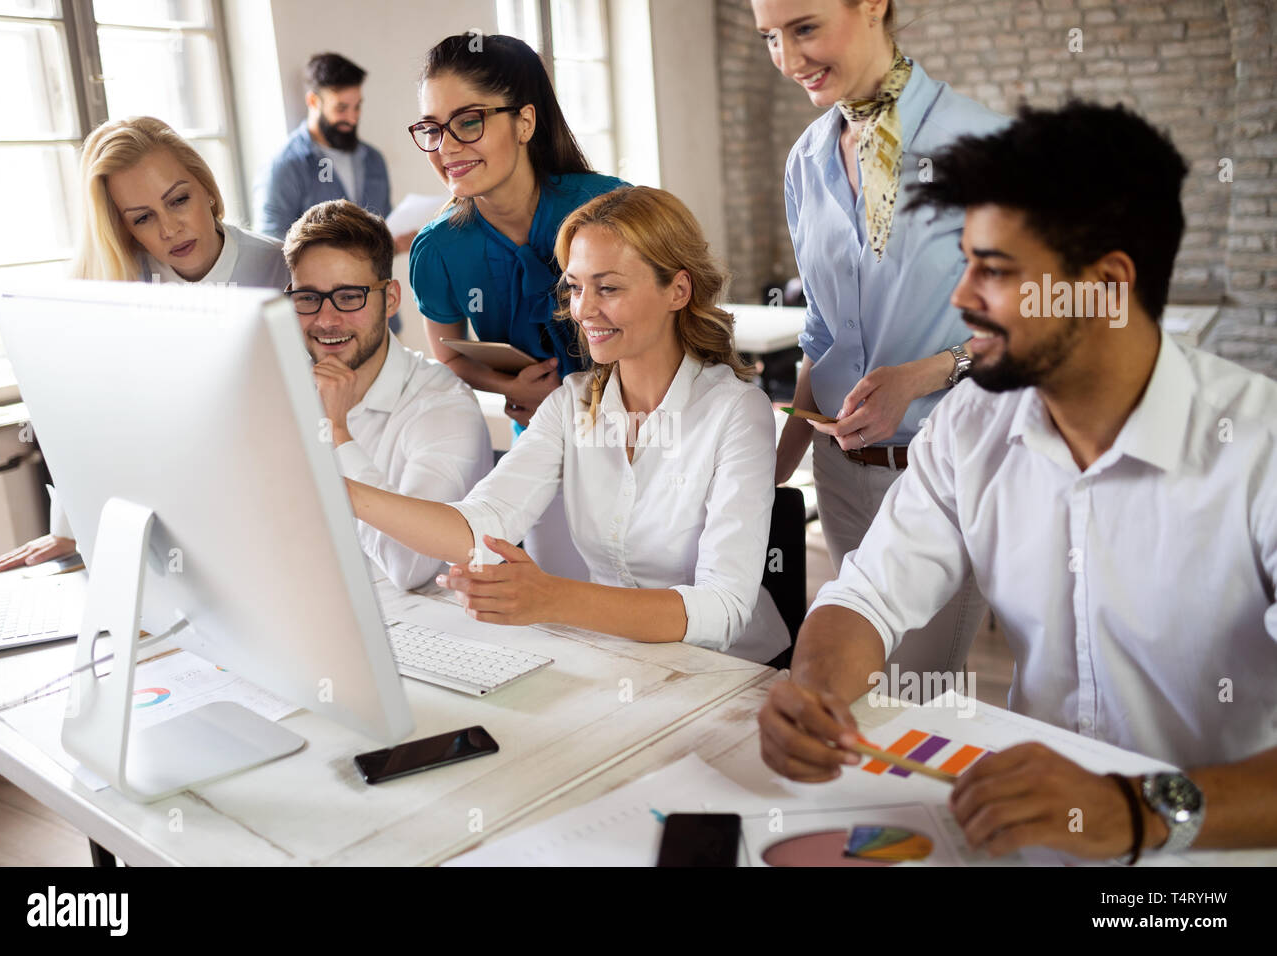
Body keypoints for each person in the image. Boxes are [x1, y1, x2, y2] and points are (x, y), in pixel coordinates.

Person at [758, 102, 1277, 858]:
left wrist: (1136, 812)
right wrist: (815, 694)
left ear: (1104, 285)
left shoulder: (1258, 447)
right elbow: (865, 596)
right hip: (1022, 842)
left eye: (994, 271)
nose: (961, 298)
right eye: (966, 261)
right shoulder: (971, 425)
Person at [349, 187, 791, 664]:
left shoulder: (735, 412)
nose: (582, 310)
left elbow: (723, 611)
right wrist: (339, 489)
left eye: (609, 287)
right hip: (623, 662)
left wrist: (551, 598)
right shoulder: (572, 402)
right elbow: (480, 524)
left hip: (735, 673)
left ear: (678, 291)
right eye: (576, 287)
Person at [753, 0, 1004, 679]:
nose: (788, 59)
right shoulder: (806, 160)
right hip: (839, 473)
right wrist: (777, 464)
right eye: (771, 38)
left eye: (804, 28)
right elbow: (825, 333)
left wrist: (923, 374)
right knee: (860, 685)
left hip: (941, 473)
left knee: (914, 692)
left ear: (873, 4)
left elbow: (1044, 320)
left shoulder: (983, 145)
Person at [0, 116, 289, 572]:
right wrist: (69, 527)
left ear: (207, 189)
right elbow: (81, 413)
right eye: (143, 217)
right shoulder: (117, 285)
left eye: (179, 200)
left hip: (272, 507)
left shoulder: (280, 268)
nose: (169, 229)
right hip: (171, 522)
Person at [407, 32, 628, 580]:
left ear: (524, 122)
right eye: (432, 129)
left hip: (643, 434)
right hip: (542, 447)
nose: (447, 147)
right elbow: (451, 356)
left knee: (658, 602)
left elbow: (670, 328)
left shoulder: (609, 206)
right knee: (567, 601)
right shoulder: (438, 249)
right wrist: (513, 389)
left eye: (469, 121)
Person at [283, 199, 492, 590]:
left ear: (391, 298)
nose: (327, 320)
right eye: (308, 298)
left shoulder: (444, 407)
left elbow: (410, 566)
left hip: (443, 635)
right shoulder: (283, 394)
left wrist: (337, 432)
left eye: (349, 297)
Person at [256, 53, 411, 253]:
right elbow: (271, 247)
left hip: (375, 284)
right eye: (341, 108)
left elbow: (381, 231)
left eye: (357, 107)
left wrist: (393, 245)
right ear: (313, 101)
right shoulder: (285, 166)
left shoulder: (374, 160)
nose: (352, 118)